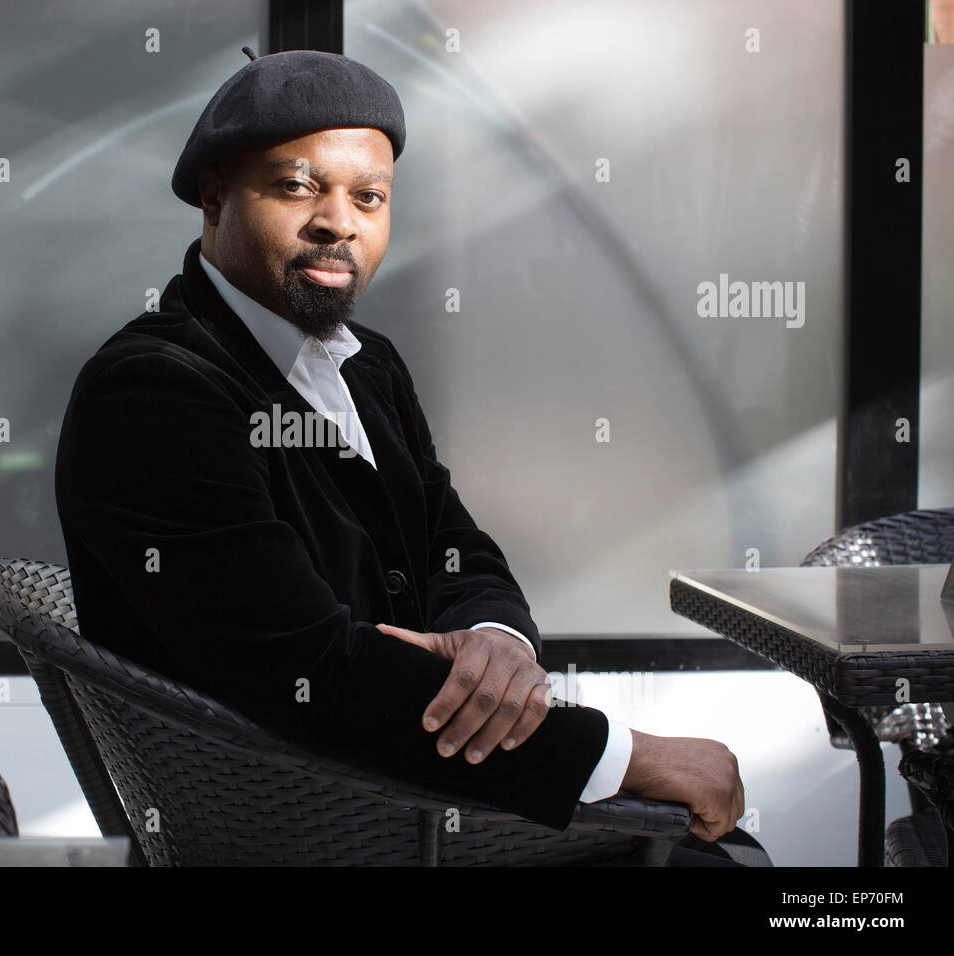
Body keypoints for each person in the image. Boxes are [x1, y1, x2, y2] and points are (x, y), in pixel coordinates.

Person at [55, 47, 767, 865]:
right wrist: (623, 756)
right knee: (719, 861)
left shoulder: (370, 368)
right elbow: (312, 675)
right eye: (298, 187)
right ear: (215, 196)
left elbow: (454, 549)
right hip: (326, 831)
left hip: (417, 797)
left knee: (725, 855)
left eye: (369, 197)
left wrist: (495, 642)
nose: (339, 222)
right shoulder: (153, 393)